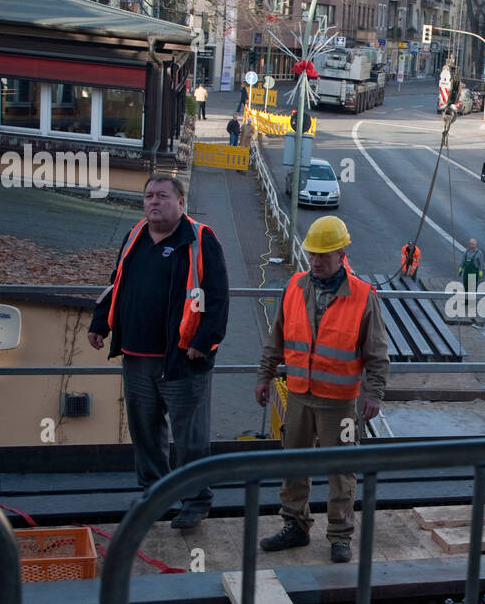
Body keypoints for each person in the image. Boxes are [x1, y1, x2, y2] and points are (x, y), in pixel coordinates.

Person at [88, 175, 229, 530]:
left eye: (162, 196)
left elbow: (217, 296)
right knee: (146, 433)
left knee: (189, 437)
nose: (154, 202)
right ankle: (154, 493)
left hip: (182, 360)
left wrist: (203, 342)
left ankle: (196, 500)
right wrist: (100, 323)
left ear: (181, 202)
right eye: (149, 196)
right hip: (136, 357)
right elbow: (116, 282)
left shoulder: (200, 239)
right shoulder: (135, 234)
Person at [255, 216, 390, 564]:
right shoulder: (295, 287)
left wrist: (374, 394)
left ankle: (340, 536)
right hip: (299, 395)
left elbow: (376, 353)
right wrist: (264, 376)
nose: (315, 261)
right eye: (312, 254)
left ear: (341, 253)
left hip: (340, 404)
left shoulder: (363, 297)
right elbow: (277, 339)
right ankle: (295, 525)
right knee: (294, 463)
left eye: (324, 255)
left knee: (340, 470)